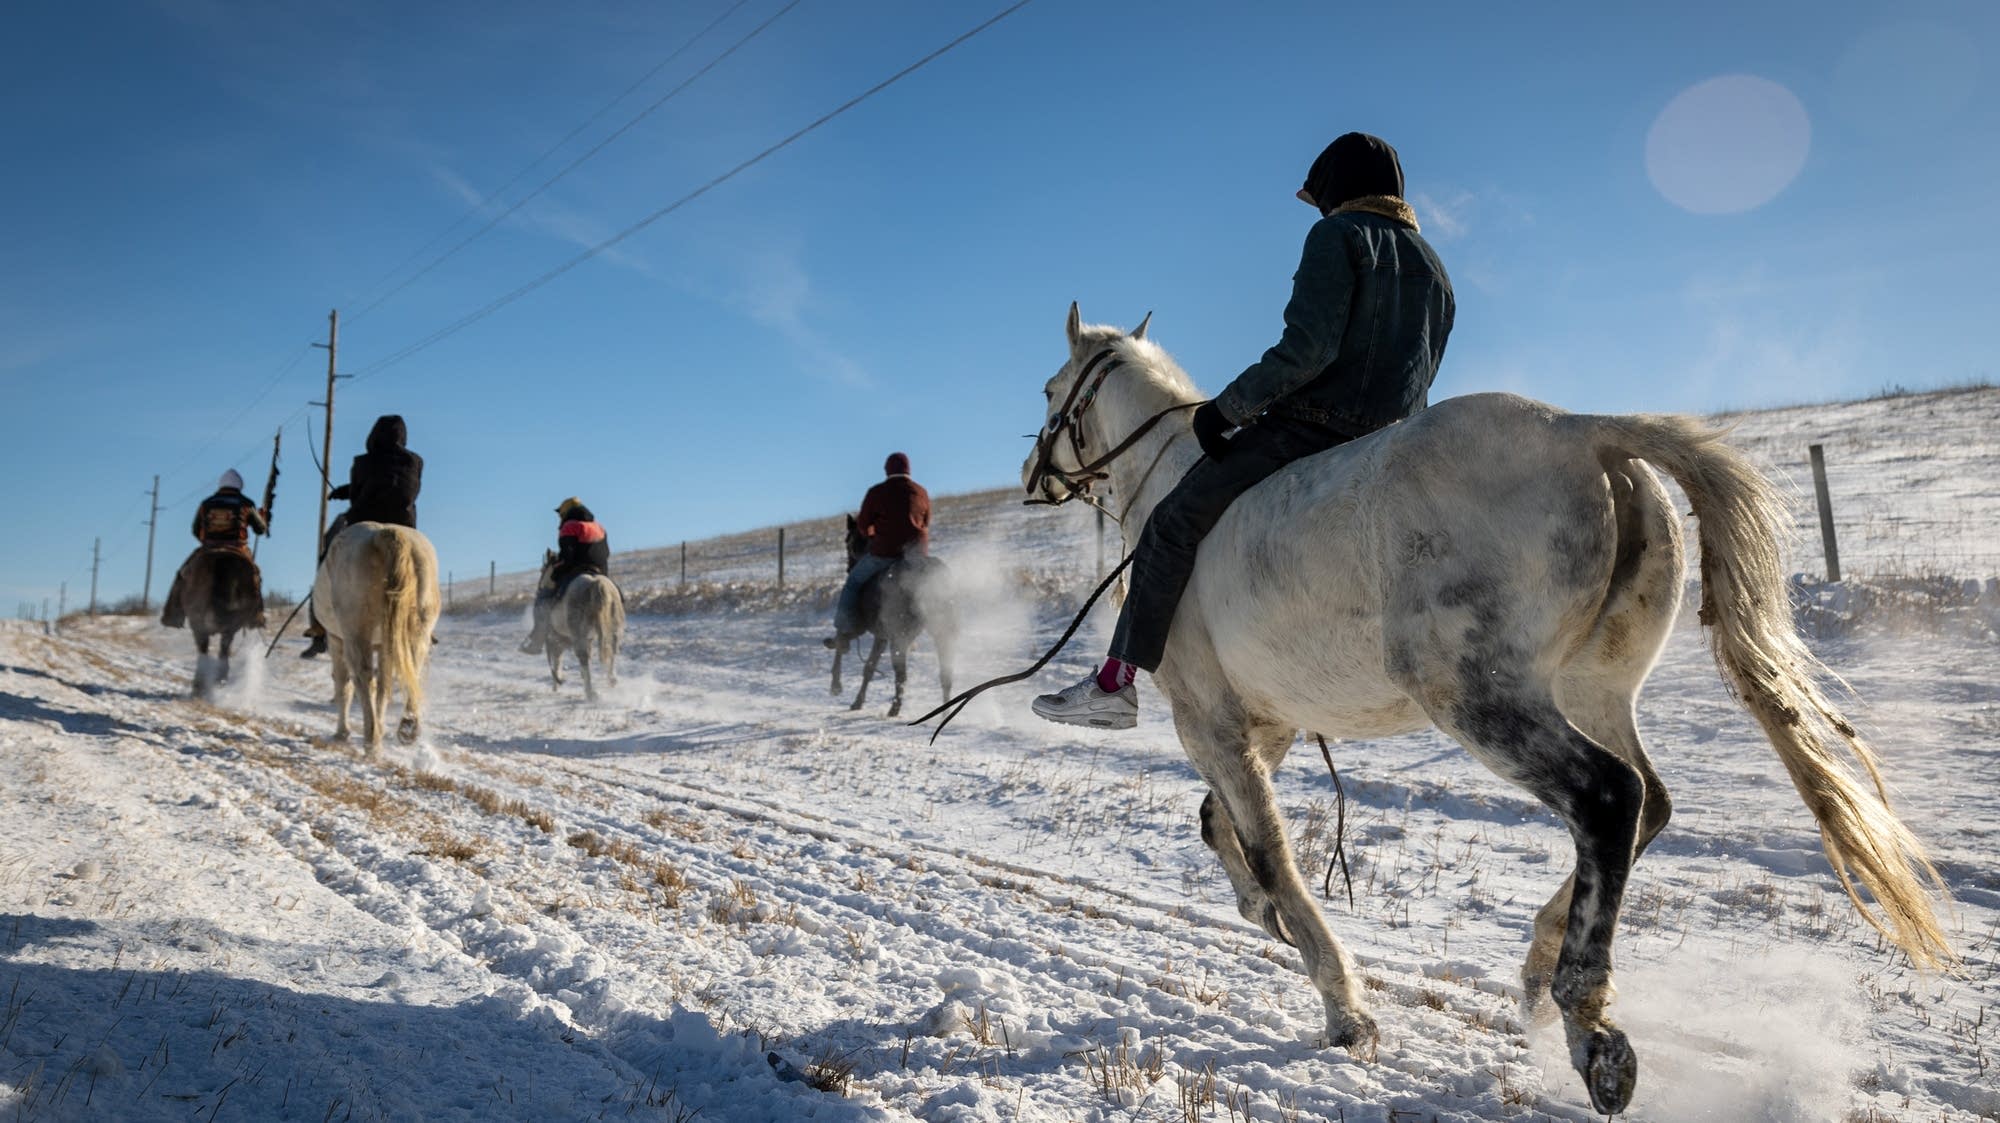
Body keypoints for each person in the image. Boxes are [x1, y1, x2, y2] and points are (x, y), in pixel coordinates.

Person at [1032, 132, 1455, 729]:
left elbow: (1306, 351)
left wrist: (1224, 411)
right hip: (1395, 443)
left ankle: (1114, 682)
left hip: (1316, 430)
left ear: (1337, 189)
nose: (1320, 209)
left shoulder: (1337, 236)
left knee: (1171, 523)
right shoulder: (1433, 266)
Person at [302, 414, 424, 657]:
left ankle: (318, 628)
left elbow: (362, 493)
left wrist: (344, 492)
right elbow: (395, 486)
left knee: (327, 557)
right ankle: (422, 620)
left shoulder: (362, 462)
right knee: (420, 566)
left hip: (364, 521)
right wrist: (348, 491)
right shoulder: (415, 462)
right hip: (404, 526)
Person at [824, 452, 930, 651]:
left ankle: (843, 634)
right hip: (916, 557)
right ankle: (913, 635)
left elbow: (863, 525)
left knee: (853, 583)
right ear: (908, 470)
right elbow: (926, 523)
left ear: (887, 470)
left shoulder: (877, 492)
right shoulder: (921, 492)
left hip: (886, 553)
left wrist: (872, 533)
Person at [160, 469, 268, 628]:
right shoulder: (247, 504)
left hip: (208, 547)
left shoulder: (206, 503)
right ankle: (255, 617)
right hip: (237, 548)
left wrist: (207, 541)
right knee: (255, 576)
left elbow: (195, 529)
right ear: (240, 486)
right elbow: (260, 529)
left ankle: (173, 615)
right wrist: (262, 517)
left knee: (182, 574)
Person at [519, 497, 611, 654]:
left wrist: (556, 568)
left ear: (565, 512)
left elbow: (567, 557)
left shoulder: (569, 526)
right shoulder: (599, 527)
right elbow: (606, 553)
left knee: (543, 599)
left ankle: (537, 641)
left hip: (576, 570)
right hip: (600, 571)